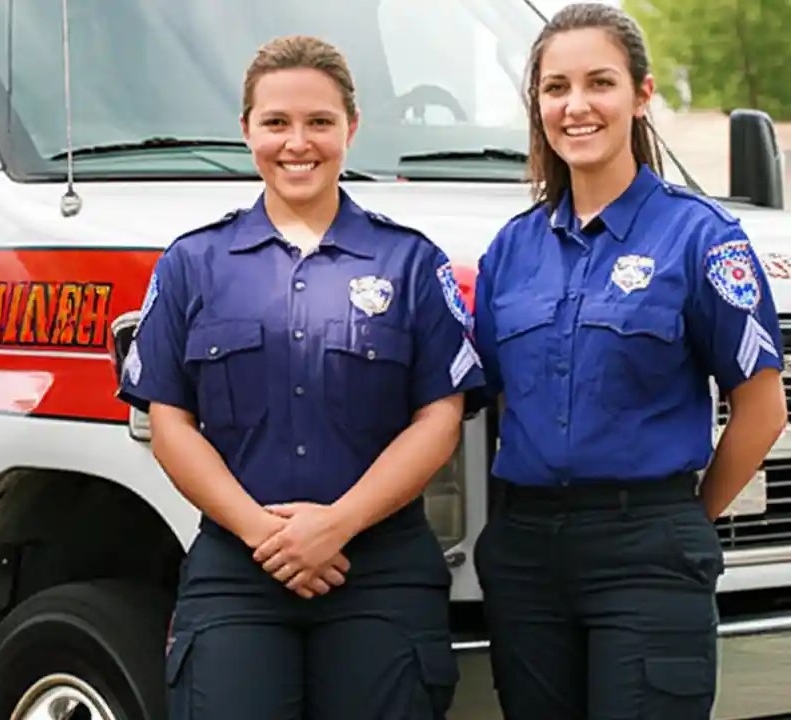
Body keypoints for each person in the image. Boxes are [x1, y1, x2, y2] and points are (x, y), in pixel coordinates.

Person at [118, 35, 483, 719]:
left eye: (319, 122)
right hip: (238, 568)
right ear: (246, 131)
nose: (298, 143)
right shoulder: (193, 264)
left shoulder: (410, 264)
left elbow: (438, 419)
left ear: (351, 126)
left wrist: (337, 524)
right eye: (276, 123)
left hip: (381, 570)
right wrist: (267, 534)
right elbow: (168, 422)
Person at [472, 4, 788, 719]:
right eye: (556, 88)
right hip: (526, 558)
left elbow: (763, 409)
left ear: (642, 97)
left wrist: (686, 521)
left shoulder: (701, 237)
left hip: (647, 548)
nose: (576, 106)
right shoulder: (510, 251)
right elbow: (478, 396)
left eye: (600, 83)